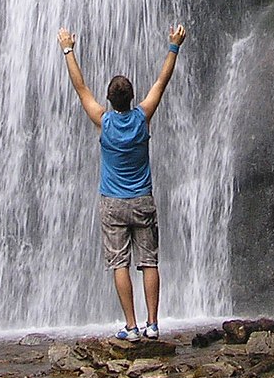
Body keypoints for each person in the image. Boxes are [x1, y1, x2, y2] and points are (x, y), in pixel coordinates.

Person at [58, 22, 187, 340]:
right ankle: (152, 325)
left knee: (120, 264)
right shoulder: (143, 117)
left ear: (109, 99)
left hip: (113, 204)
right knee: (149, 262)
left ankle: (131, 327)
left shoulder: (103, 121)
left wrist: (68, 49)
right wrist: (174, 46)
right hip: (142, 200)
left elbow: (80, 88)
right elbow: (162, 81)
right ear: (132, 98)